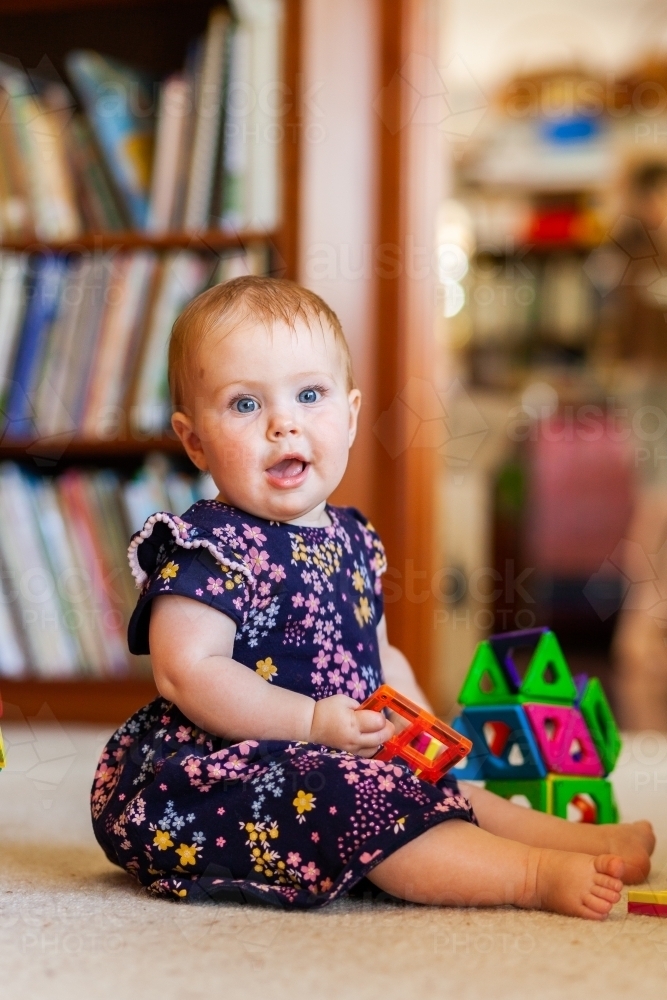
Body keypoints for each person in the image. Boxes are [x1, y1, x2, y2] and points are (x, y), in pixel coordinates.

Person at [92, 276, 654, 919]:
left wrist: (421, 726)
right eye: (245, 405)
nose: (284, 425)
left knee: (441, 781)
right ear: (194, 441)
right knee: (361, 799)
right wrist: (309, 725)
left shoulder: (354, 539)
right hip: (225, 775)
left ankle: (588, 840)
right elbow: (186, 672)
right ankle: (529, 876)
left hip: (345, 747)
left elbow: (380, 660)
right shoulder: (207, 546)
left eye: (310, 395)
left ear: (352, 415)